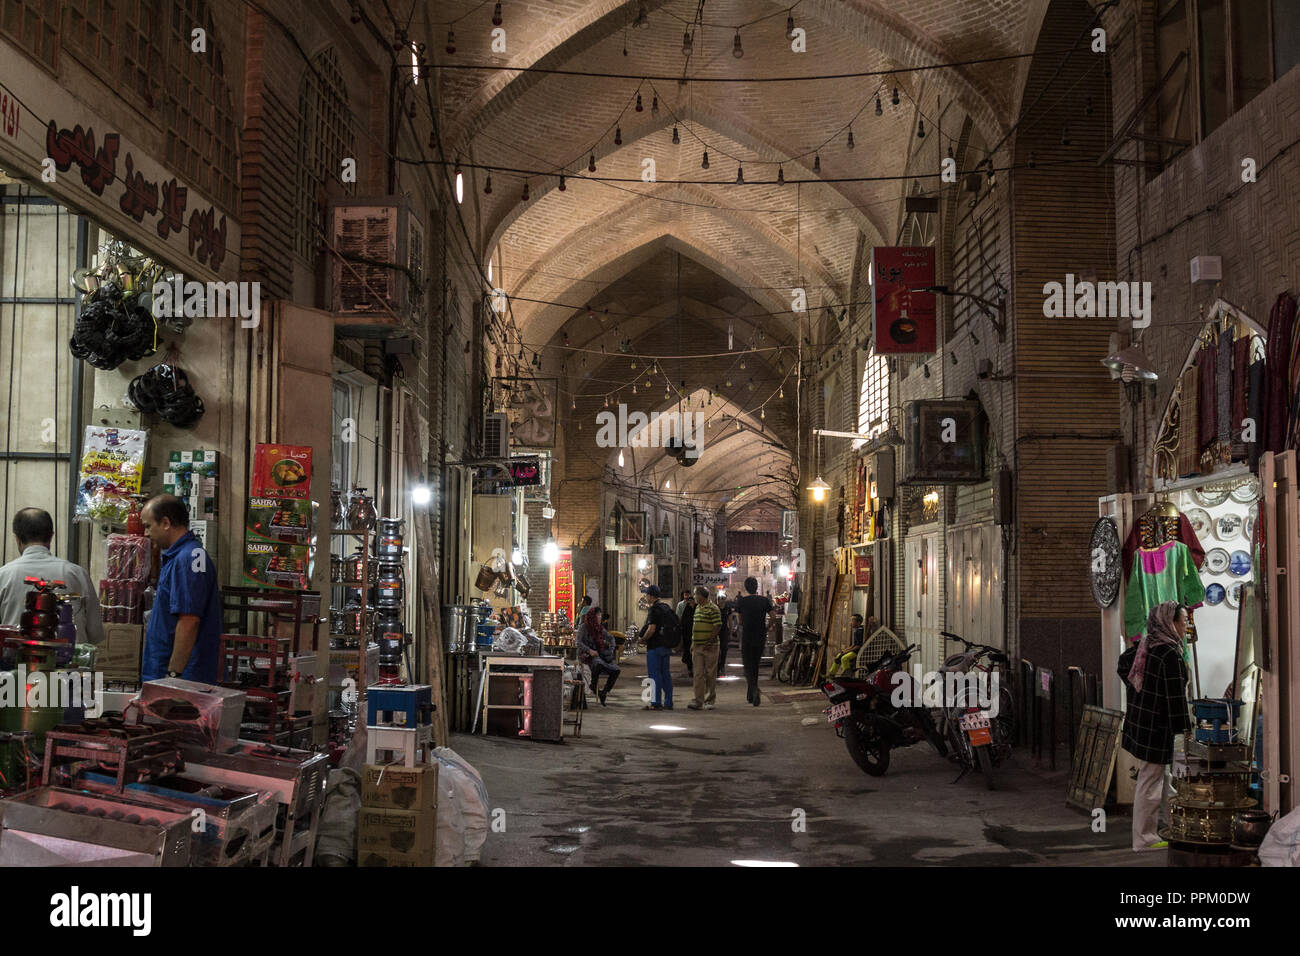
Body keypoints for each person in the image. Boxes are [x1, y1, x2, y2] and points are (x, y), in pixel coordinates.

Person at [1119, 601, 1193, 852]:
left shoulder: (1146, 645)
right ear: (1169, 623)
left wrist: (1142, 695)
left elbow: (1123, 666)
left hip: (1143, 724)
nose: (1187, 626)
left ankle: (1170, 826)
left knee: (1162, 779)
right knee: (1150, 782)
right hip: (1157, 730)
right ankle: (1143, 839)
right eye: (1183, 621)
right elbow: (1176, 700)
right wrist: (1186, 733)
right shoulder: (1169, 655)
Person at [140, 495, 222, 682]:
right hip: (167, 673)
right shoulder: (180, 556)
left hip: (184, 678)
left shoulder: (189, 558)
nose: (146, 533)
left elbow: (189, 620)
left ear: (166, 523)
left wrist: (173, 675)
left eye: (148, 526)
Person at [0, 508, 104, 644]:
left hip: (20, 663)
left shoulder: (4, 575)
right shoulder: (77, 574)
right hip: (68, 663)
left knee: (21, 666)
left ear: (17, 539)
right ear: (51, 536)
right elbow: (95, 633)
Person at [639, 585, 679, 710]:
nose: (646, 597)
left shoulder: (654, 610)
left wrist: (642, 639)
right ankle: (668, 702)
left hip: (654, 647)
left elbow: (651, 629)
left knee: (655, 675)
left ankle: (655, 703)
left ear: (651, 596)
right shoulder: (666, 607)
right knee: (665, 674)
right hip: (666, 646)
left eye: (647, 595)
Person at [737, 577, 773, 706]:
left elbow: (740, 621)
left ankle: (754, 689)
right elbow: (773, 617)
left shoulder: (742, 601)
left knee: (748, 665)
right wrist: (766, 628)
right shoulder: (764, 600)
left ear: (746, 588)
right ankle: (751, 693)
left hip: (747, 635)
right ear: (756, 586)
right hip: (760, 635)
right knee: (755, 664)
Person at [575, 605, 619, 705]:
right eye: (598, 615)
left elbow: (611, 638)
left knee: (616, 670)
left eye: (600, 615)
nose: (600, 617)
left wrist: (611, 649)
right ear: (593, 616)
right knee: (598, 663)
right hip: (587, 656)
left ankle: (604, 692)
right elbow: (578, 642)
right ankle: (593, 686)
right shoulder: (584, 627)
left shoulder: (599, 628)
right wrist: (589, 650)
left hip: (600, 655)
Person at [686, 586, 722, 710]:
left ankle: (709, 700)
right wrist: (692, 643)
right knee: (698, 674)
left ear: (701, 595)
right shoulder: (698, 608)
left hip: (710, 647)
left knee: (710, 673)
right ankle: (698, 700)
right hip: (697, 646)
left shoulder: (713, 608)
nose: (694, 597)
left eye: (696, 594)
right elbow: (694, 627)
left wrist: (710, 640)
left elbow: (717, 626)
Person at [719, 591, 740, 676]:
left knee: (724, 649)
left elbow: (730, 621)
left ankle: (722, 666)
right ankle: (717, 667)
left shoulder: (727, 609)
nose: (721, 600)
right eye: (720, 599)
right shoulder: (715, 608)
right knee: (717, 650)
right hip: (716, 631)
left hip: (724, 631)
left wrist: (731, 633)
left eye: (722, 599)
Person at [676, 590, 696, 679]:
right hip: (687, 633)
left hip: (695, 634)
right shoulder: (683, 607)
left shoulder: (696, 609)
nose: (691, 604)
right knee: (688, 650)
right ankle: (690, 668)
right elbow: (681, 619)